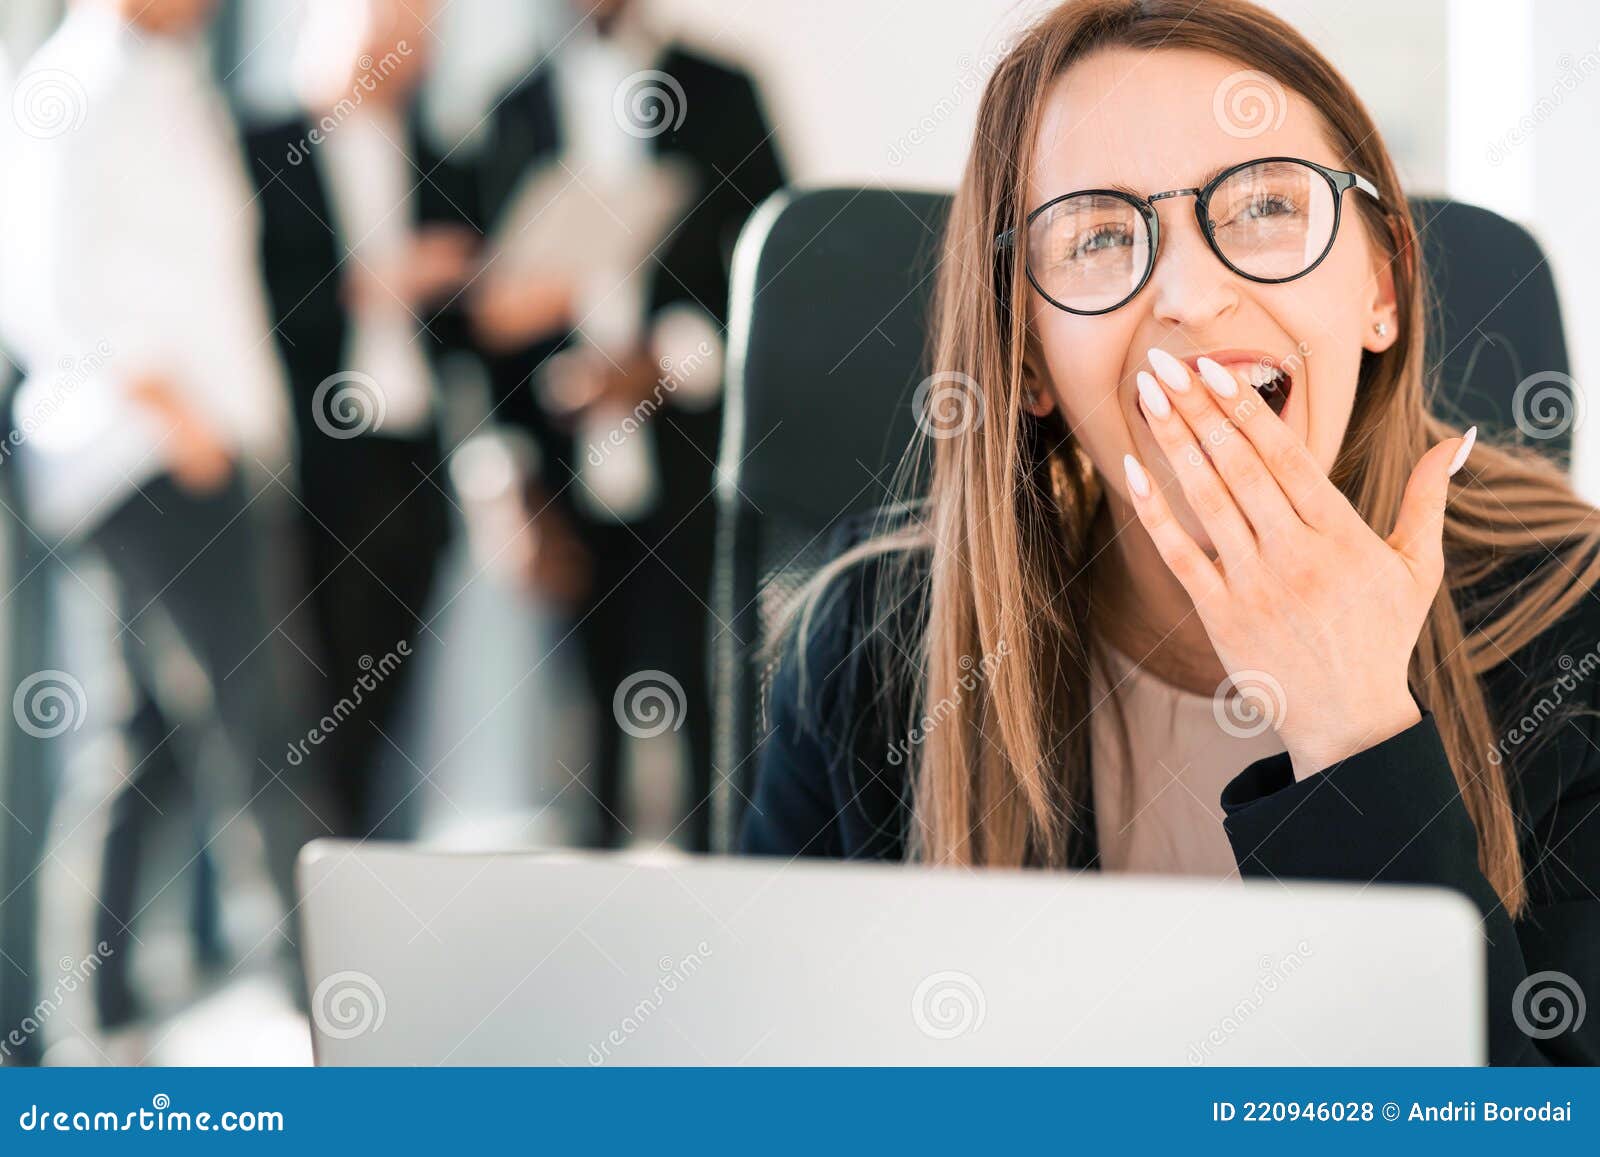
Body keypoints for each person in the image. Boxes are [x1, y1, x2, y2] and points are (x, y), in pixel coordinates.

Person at [740, 0, 1600, 1067]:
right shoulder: (868, 645)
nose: (1192, 294)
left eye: (1266, 207)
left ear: (1381, 286)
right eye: (1099, 234)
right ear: (1025, 355)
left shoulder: (1582, 630)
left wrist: (1351, 722)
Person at [0, 0, 333, 1027]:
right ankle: (322, 1008)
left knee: (137, 743)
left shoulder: (171, 79)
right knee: (263, 726)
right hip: (151, 462)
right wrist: (180, 422)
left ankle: (83, 1027)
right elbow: (42, 290)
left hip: (201, 455)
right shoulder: (75, 84)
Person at [466, 0, 786, 851]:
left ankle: (717, 918)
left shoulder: (722, 90)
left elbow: (776, 264)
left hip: (697, 459)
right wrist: (504, 477)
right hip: (563, 473)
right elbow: (481, 325)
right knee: (582, 731)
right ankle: (593, 942)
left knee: (715, 706)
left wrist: (668, 360)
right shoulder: (512, 107)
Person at [244, 0, 472, 836]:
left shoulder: (438, 160)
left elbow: (468, 328)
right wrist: (372, 283)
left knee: (391, 699)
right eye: (384, 32)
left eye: (417, 40)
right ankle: (303, 898)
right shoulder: (260, 150)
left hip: (409, 463)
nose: (399, 55)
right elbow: (251, 306)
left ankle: (370, 883)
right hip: (308, 467)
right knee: (309, 700)